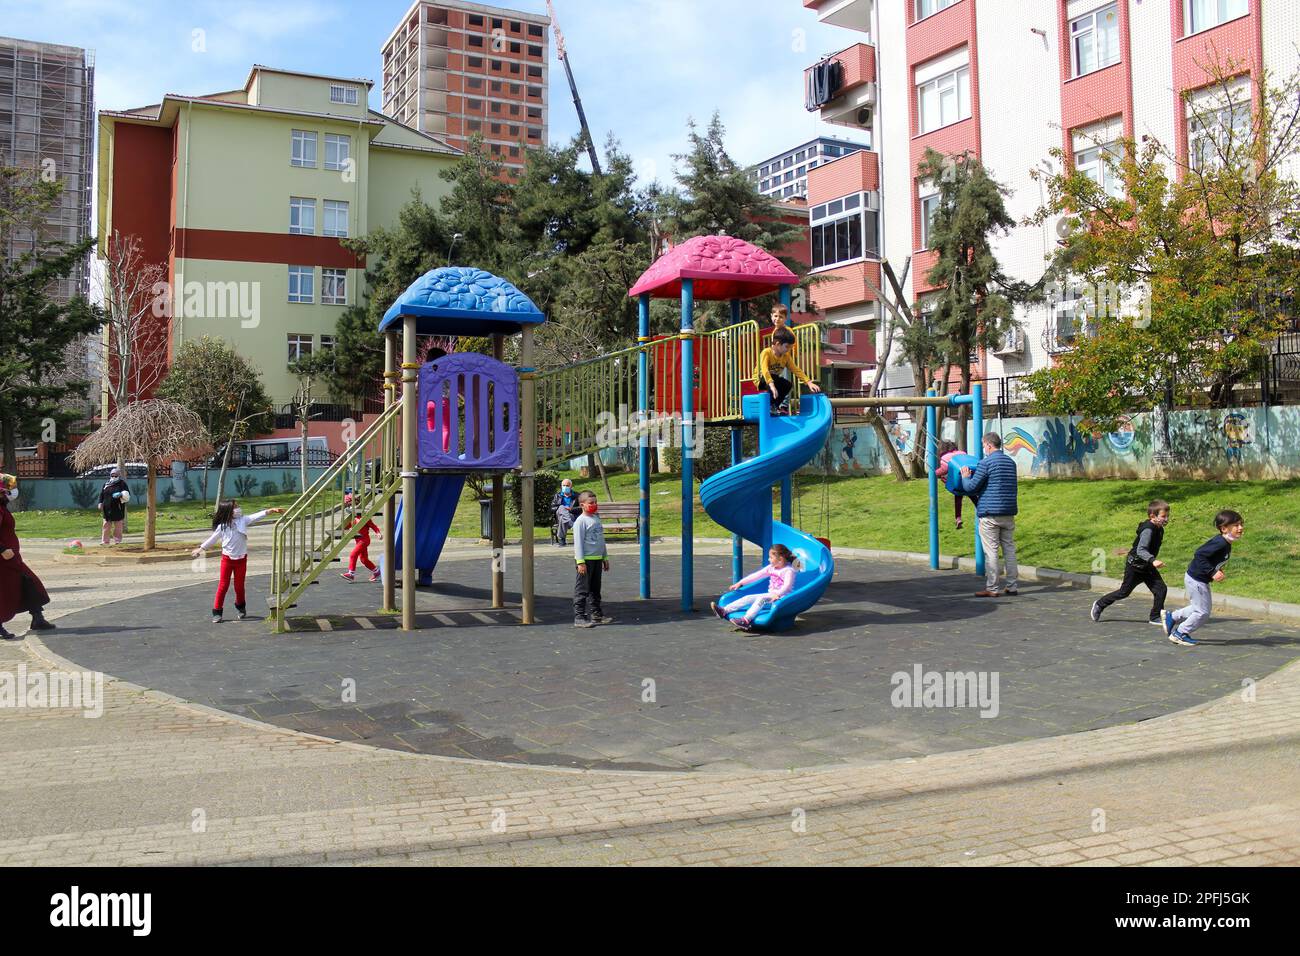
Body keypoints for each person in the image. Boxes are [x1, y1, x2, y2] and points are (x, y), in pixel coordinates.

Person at [192, 500, 285, 623]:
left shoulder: (243, 520)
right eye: (235, 507)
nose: (238, 509)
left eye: (238, 506)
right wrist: (201, 548)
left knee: (239, 586)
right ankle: (217, 611)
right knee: (223, 586)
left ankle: (241, 607)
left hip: (241, 559)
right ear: (228, 511)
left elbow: (257, 516)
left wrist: (271, 510)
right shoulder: (223, 526)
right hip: (227, 559)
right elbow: (213, 539)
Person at [1164, 509, 1243, 647]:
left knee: (1198, 607)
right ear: (1224, 528)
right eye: (1236, 525)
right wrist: (1212, 572)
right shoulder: (1220, 543)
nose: (1240, 528)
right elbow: (1200, 554)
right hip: (1196, 580)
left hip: (1197, 579)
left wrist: (1217, 569)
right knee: (1203, 612)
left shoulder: (1225, 543)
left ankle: (1172, 617)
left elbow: (1212, 558)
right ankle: (1180, 633)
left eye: (1241, 524)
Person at [1091, 499, 1170, 626]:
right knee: (1124, 592)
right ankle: (1100, 604)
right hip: (1135, 567)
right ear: (1152, 516)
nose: (1166, 519)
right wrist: (1153, 560)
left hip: (1147, 567)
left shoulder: (1159, 528)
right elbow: (1141, 550)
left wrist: (1151, 562)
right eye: (1163, 516)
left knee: (1161, 589)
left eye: (1167, 516)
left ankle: (1155, 617)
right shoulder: (1148, 530)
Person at [960, 432, 1019, 597]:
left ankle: (992, 588)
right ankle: (1012, 586)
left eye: (983, 445)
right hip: (1008, 511)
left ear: (988, 445)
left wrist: (965, 477)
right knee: (1009, 549)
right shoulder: (1011, 462)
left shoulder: (986, 463)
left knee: (991, 551)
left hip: (990, 513)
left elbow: (971, 487)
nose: (984, 448)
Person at [0, 474, 54, 640]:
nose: (12, 492)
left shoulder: (2, 506)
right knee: (4, 592)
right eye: (9, 489)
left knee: (29, 582)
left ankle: (38, 618)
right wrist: (2, 549)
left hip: (12, 558)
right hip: (3, 558)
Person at [711, 543, 798, 632]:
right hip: (771, 595)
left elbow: (787, 586)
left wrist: (777, 594)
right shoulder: (771, 568)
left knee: (761, 599)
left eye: (771, 557)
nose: (769, 559)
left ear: (780, 559)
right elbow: (756, 575)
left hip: (782, 598)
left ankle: (746, 620)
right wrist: (741, 582)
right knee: (747, 598)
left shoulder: (788, 571)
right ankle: (724, 610)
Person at [754, 327, 821, 415]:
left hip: (774, 380)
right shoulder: (766, 352)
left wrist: (808, 382)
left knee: (787, 385)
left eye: (790, 347)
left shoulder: (786, 356)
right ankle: (769, 406)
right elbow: (765, 370)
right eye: (787, 346)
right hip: (761, 379)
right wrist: (772, 385)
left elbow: (795, 369)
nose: (788, 349)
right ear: (778, 344)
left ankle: (775, 406)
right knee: (774, 379)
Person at [572, 490, 610, 629]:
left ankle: (596, 614)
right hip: (586, 560)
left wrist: (604, 557)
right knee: (582, 589)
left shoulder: (596, 518)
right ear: (582, 505)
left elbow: (601, 539)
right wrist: (580, 561)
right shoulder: (580, 522)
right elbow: (578, 544)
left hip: (597, 559)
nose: (594, 505)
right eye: (591, 503)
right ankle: (579, 616)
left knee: (595, 588)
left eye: (595, 502)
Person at [340, 493, 381, 582]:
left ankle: (351, 574)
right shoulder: (352, 517)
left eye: (351, 505)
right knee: (364, 559)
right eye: (348, 506)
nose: (350, 508)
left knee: (353, 555)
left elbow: (373, 526)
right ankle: (377, 572)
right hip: (358, 541)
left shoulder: (363, 516)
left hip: (364, 540)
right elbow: (346, 527)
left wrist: (378, 533)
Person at [934, 440, 968, 529]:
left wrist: (935, 473)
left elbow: (944, 469)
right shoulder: (962, 453)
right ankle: (981, 509)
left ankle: (958, 518)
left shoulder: (946, 457)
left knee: (958, 498)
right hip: (967, 478)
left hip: (957, 484)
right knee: (973, 496)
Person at [97, 467, 129, 546]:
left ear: (119, 475)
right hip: (107, 508)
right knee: (106, 525)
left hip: (118, 507)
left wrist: (121, 494)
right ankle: (105, 541)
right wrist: (100, 503)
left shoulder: (122, 484)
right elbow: (101, 494)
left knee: (118, 526)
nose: (114, 477)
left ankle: (117, 541)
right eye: (112, 475)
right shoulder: (106, 484)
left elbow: (127, 494)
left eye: (116, 475)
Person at [550, 478, 580, 547]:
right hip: (559, 514)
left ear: (571, 486)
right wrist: (562, 508)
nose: (565, 487)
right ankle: (572, 525)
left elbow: (581, 508)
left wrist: (570, 509)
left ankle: (561, 539)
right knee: (561, 507)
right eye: (563, 485)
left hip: (571, 515)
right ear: (561, 486)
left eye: (567, 485)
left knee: (563, 518)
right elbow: (552, 508)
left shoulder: (577, 495)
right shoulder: (557, 496)